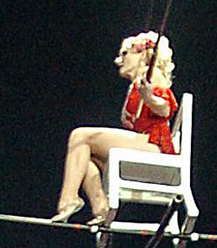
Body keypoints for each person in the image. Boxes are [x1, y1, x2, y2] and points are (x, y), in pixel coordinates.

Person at [52, 31, 179, 225]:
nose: (119, 60)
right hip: (145, 146)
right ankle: (101, 208)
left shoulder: (152, 75)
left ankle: (68, 199)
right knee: (85, 156)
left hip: (155, 148)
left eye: (125, 54)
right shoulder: (137, 84)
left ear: (144, 55)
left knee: (80, 136)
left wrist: (150, 98)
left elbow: (166, 108)